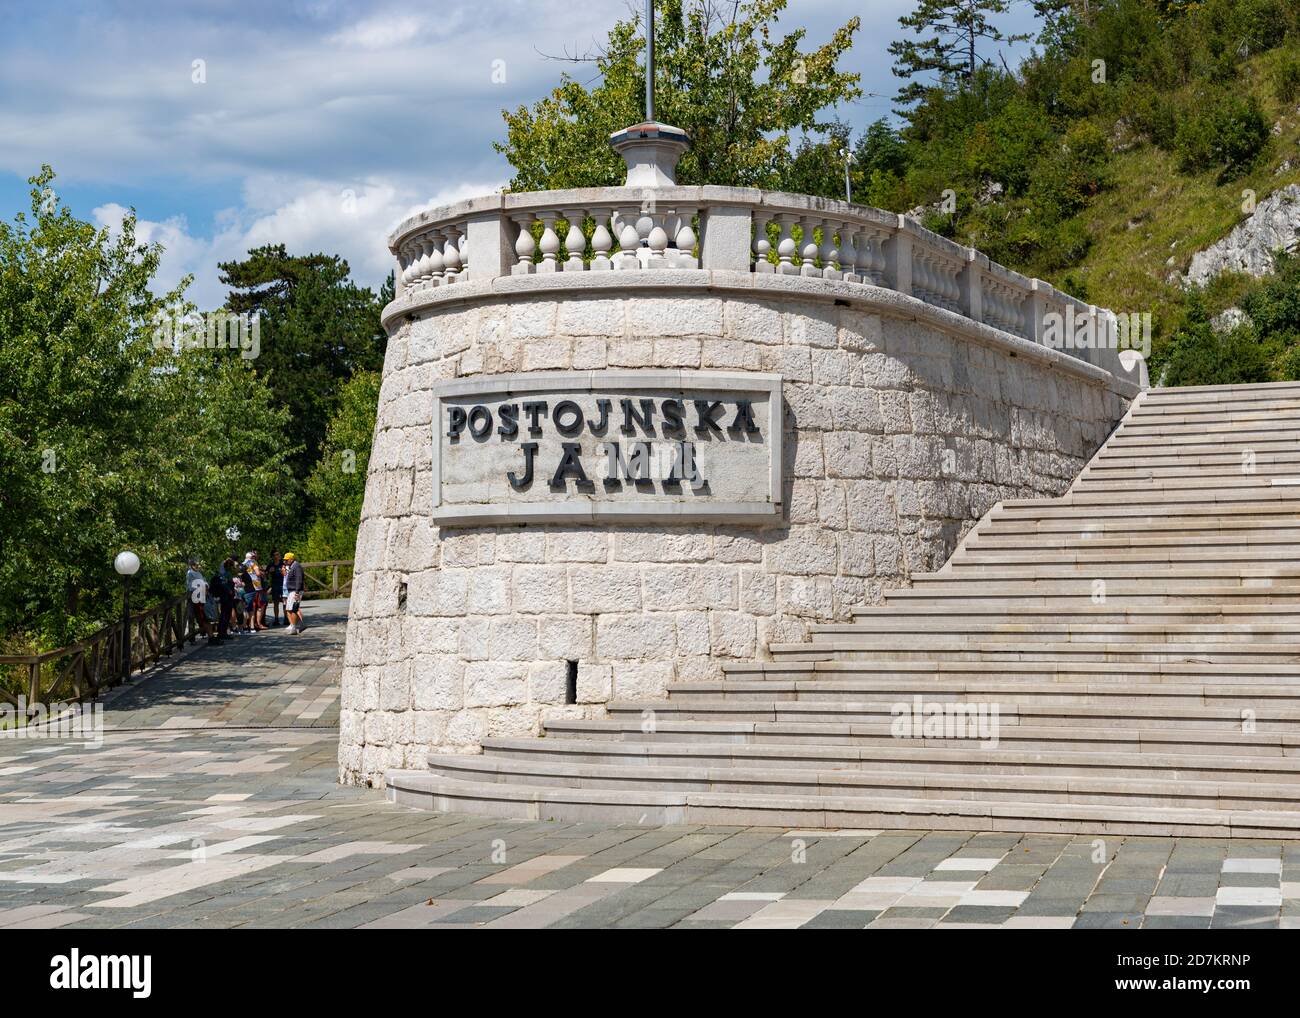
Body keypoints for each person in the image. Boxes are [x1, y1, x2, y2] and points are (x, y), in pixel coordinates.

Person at [185, 558, 215, 641]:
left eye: (198, 565)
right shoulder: (190, 573)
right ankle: (206, 636)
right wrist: (202, 587)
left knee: (204, 616)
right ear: (191, 565)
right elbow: (191, 586)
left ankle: (209, 635)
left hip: (202, 596)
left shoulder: (198, 573)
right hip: (196, 597)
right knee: (200, 616)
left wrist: (205, 586)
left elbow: (204, 581)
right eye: (195, 565)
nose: (197, 566)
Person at [213, 558, 237, 642]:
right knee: (225, 614)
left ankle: (222, 631)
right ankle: (222, 632)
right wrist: (229, 591)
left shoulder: (222, 573)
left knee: (225, 613)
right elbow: (225, 584)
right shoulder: (226, 574)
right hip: (226, 596)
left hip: (225, 596)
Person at [283, 551, 305, 634]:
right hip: (291, 590)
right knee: (289, 608)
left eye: (286, 560)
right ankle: (296, 625)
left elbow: (299, 579)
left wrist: (297, 592)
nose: (285, 561)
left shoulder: (296, 566)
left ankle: (294, 627)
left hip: (295, 591)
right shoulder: (293, 566)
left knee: (293, 609)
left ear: (291, 559)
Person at [267, 550, 285, 627]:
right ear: (273, 556)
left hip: (283, 585)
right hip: (275, 585)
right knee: (276, 603)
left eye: (278, 554)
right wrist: (268, 572)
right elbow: (265, 575)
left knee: (285, 602)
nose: (277, 556)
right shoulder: (270, 565)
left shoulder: (283, 564)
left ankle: (287, 618)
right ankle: (276, 619)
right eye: (276, 555)